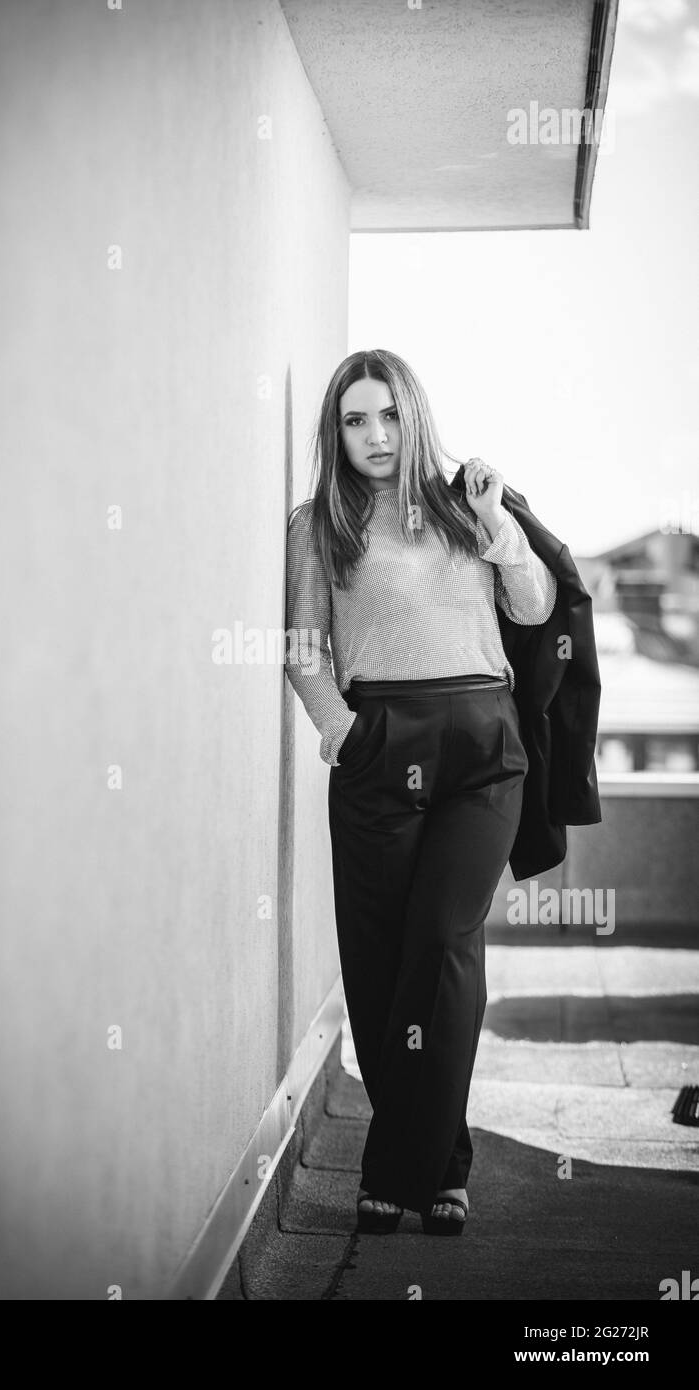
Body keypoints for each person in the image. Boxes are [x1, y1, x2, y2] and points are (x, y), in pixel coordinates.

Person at [284, 348, 558, 1235]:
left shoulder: (464, 505)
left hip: (482, 746)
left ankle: (393, 1165)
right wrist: (345, 734)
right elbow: (302, 651)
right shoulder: (316, 526)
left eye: (387, 415)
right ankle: (445, 1167)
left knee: (441, 944)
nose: (373, 435)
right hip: (379, 746)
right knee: (379, 961)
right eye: (354, 419)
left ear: (415, 417)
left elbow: (534, 606)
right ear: (337, 432)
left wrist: (498, 525)